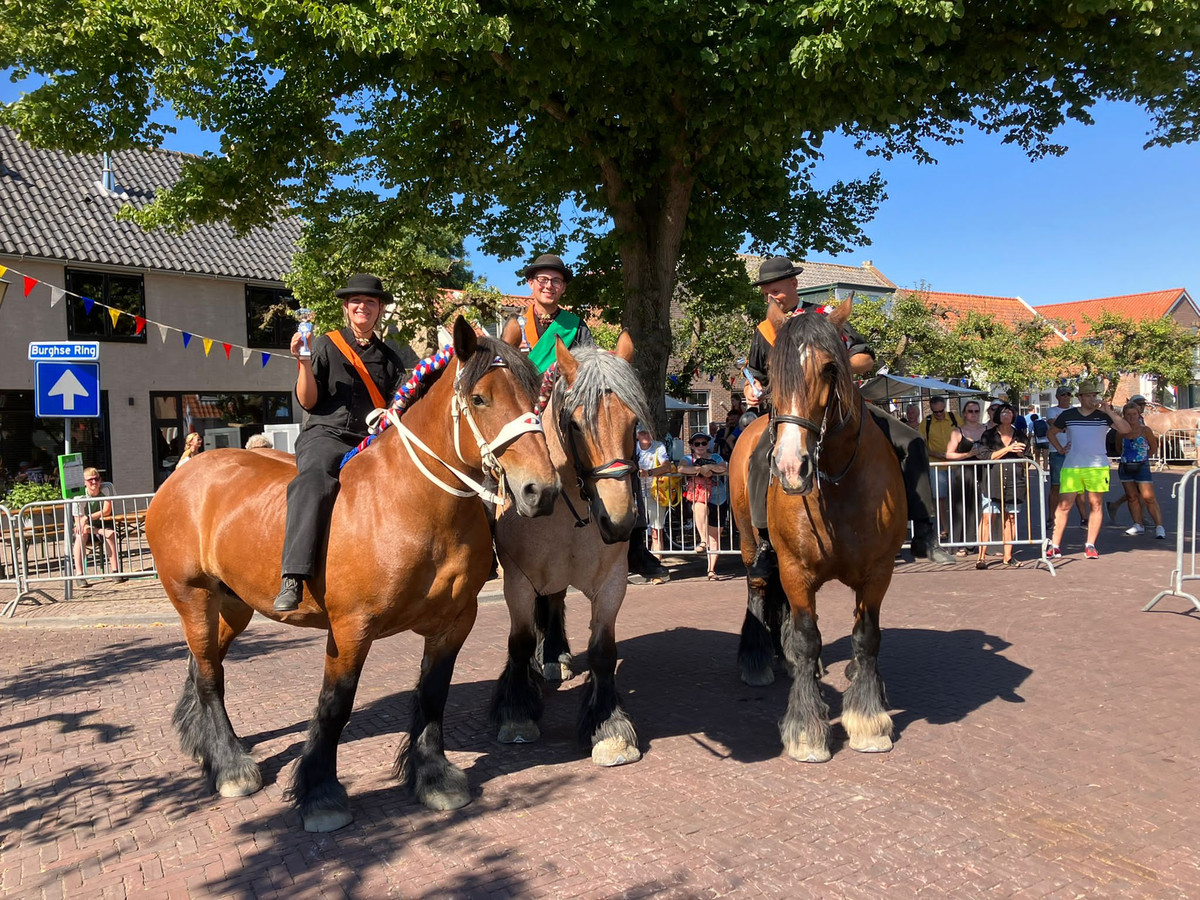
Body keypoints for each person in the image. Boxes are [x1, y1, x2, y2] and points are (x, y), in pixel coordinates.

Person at [742, 256, 954, 574]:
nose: (771, 297)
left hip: (841, 406)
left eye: (776, 290)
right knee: (759, 458)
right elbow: (754, 372)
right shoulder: (767, 331)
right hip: (790, 416)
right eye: (766, 292)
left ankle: (924, 533)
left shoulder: (826, 318)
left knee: (912, 441)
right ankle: (766, 544)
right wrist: (750, 389)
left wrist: (830, 367)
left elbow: (865, 357)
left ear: (794, 284)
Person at [274, 274, 405, 611]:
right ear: (347, 307)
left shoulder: (392, 359)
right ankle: (294, 575)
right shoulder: (324, 345)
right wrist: (302, 362)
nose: (364, 307)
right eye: (357, 301)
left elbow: (399, 406)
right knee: (314, 479)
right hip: (326, 435)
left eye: (371, 302)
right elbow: (307, 400)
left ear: (380, 310)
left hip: (372, 440)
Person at [1046, 380, 1131, 560]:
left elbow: (1126, 429)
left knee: (1096, 504)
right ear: (1080, 397)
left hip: (1097, 466)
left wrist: (1109, 411)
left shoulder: (1104, 416)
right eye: (1089, 395)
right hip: (1072, 465)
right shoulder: (1068, 415)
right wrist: (1060, 449)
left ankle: (1090, 544)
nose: (1093, 399)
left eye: (1095, 395)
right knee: (1064, 506)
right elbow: (1051, 432)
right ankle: (1055, 545)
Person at [501, 253, 594, 375]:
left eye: (556, 281)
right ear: (531, 283)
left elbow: (590, 367)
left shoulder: (576, 327)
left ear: (563, 287)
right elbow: (500, 370)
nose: (549, 286)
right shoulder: (516, 325)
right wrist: (513, 356)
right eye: (543, 280)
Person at [974, 403, 1032, 569]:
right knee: (987, 518)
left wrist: (1020, 454)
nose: (1007, 414)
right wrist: (1008, 449)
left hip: (1014, 482)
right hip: (992, 482)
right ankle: (981, 557)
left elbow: (1027, 461)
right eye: (1003, 412)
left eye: (1010, 412)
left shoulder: (1021, 436)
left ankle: (1008, 556)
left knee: (1011, 518)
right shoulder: (989, 435)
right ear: (997, 415)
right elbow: (985, 456)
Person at [677, 432, 728, 580]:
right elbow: (681, 468)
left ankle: (711, 570)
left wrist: (708, 468)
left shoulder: (716, 457)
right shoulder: (688, 458)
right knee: (699, 507)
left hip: (719, 497)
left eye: (704, 443)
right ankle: (702, 539)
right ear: (692, 446)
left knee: (715, 536)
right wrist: (702, 469)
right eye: (697, 444)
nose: (700, 446)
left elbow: (723, 467)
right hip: (700, 496)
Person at [943, 398, 989, 556]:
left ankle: (974, 543)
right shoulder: (958, 432)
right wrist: (967, 454)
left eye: (976, 411)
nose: (974, 414)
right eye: (970, 411)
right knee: (961, 509)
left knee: (978, 509)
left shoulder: (986, 429)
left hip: (982, 472)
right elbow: (949, 454)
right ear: (964, 414)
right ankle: (959, 544)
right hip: (963, 473)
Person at [1114, 402, 1166, 538]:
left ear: (1139, 415)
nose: (1131, 417)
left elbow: (1153, 447)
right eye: (1128, 415)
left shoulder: (1145, 430)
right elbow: (1119, 447)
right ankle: (1138, 524)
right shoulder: (1121, 432)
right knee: (1132, 497)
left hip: (1141, 465)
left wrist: (1144, 458)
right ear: (1124, 416)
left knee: (1149, 497)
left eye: (1134, 414)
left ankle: (1159, 526)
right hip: (1126, 465)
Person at [633, 423, 673, 584]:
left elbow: (667, 466)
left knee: (657, 531)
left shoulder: (658, 447)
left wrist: (648, 473)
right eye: (643, 433)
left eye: (649, 432)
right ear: (637, 435)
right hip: (635, 495)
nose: (646, 435)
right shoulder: (631, 448)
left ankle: (656, 571)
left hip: (655, 493)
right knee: (634, 534)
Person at [1105, 395, 1154, 527]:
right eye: (1139, 404)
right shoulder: (1126, 421)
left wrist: (1145, 455)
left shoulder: (1141, 419)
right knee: (1137, 492)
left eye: (1143, 404)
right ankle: (1140, 517)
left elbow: (1152, 444)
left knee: (1140, 492)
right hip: (1129, 461)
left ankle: (1117, 506)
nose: (1142, 406)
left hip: (1140, 461)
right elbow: (1119, 445)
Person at [72, 467, 123, 586]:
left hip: (103, 523)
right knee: (81, 535)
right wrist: (100, 531)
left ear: (101, 480)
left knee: (110, 535)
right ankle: (79, 575)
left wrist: (87, 517)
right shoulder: (79, 496)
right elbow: (80, 525)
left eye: (97, 479)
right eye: (90, 480)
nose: (94, 482)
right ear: (84, 482)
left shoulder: (107, 487)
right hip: (88, 529)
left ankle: (115, 572)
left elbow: (106, 510)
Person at [1046, 385, 1088, 529]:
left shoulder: (1075, 410)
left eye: (1068, 395)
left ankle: (1084, 518)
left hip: (1074, 452)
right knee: (1056, 486)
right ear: (1057, 397)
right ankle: (1051, 518)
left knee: (1079, 487)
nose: (1066, 397)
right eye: (1063, 395)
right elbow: (1054, 424)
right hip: (1057, 452)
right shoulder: (1052, 410)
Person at [922, 395, 958, 531]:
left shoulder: (955, 419)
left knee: (957, 498)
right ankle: (945, 528)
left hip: (956, 464)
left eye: (941, 410)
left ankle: (957, 527)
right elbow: (921, 445)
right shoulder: (926, 422)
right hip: (937, 465)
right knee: (940, 499)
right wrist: (934, 453)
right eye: (935, 411)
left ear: (945, 407)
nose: (939, 414)